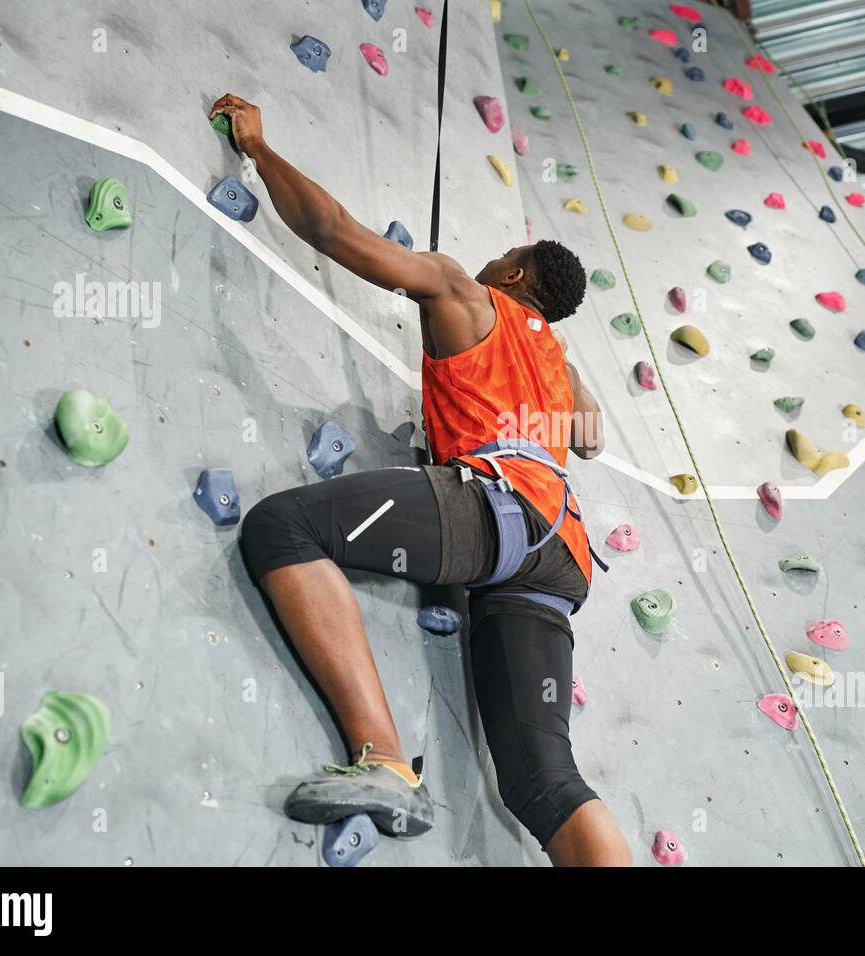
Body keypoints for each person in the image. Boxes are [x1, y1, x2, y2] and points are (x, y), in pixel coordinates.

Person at [215, 94, 631, 866]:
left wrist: (260, 152)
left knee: (283, 527)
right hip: (560, 561)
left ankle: (383, 762)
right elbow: (589, 430)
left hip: (493, 513)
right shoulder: (560, 366)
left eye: (502, 257)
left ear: (512, 269)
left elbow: (333, 232)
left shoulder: (467, 292)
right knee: (545, 782)